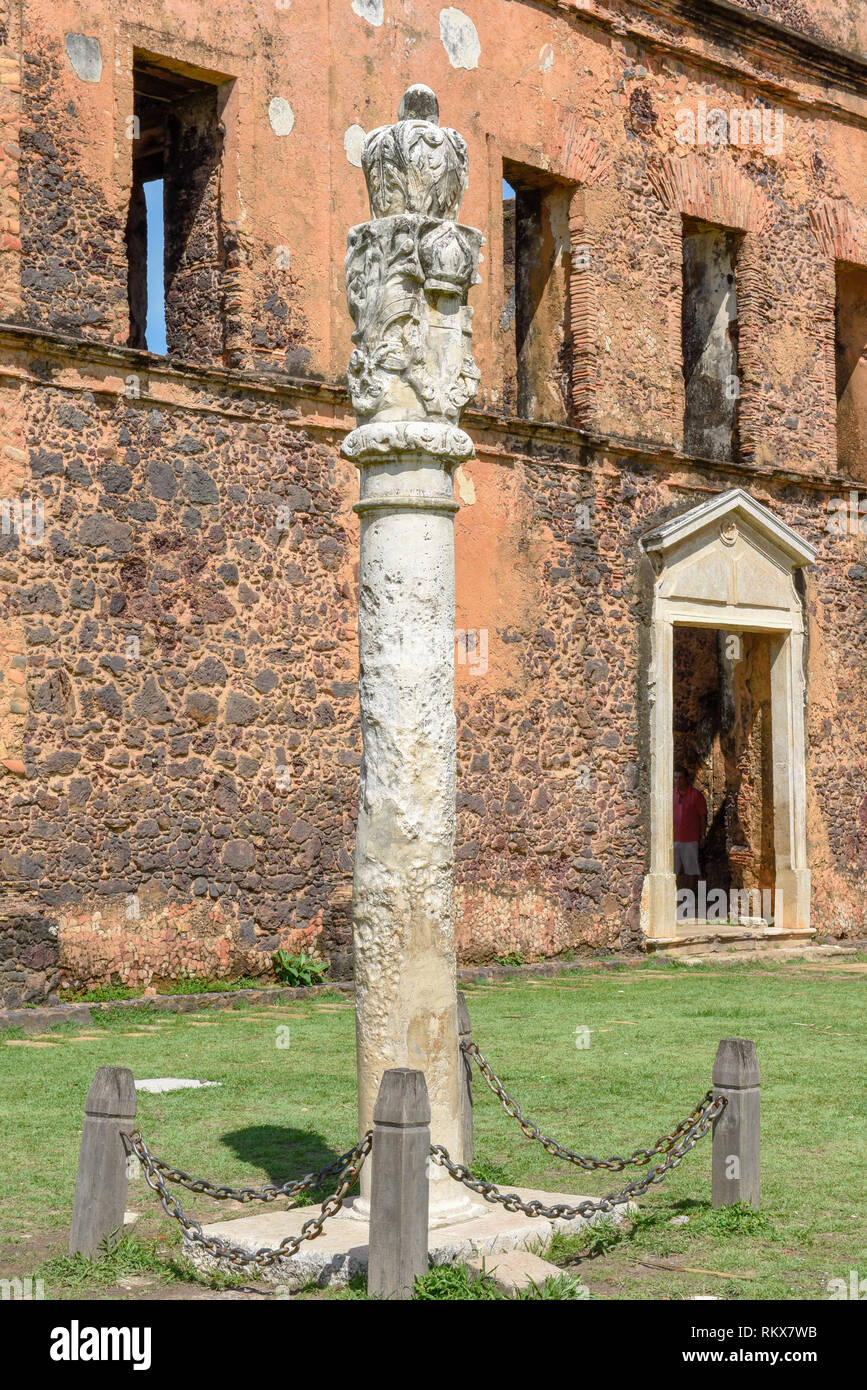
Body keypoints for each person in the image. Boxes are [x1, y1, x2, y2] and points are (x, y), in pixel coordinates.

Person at [674, 765, 707, 918]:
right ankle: (674, 898)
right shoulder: (671, 795)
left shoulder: (695, 795)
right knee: (673, 871)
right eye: (675, 778)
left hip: (690, 839)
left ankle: (688, 899)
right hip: (673, 839)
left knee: (691, 871)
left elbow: (702, 816)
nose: (677, 781)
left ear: (686, 778)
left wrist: (702, 836)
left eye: (680, 778)